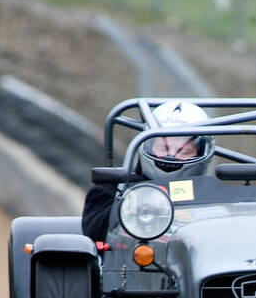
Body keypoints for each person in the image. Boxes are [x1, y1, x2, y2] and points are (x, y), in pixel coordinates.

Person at [81, 100, 215, 242]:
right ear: (147, 144)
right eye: (163, 148)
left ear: (202, 152)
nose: (171, 156)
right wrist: (134, 205)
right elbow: (93, 232)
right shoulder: (115, 189)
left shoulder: (213, 194)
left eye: (184, 151)